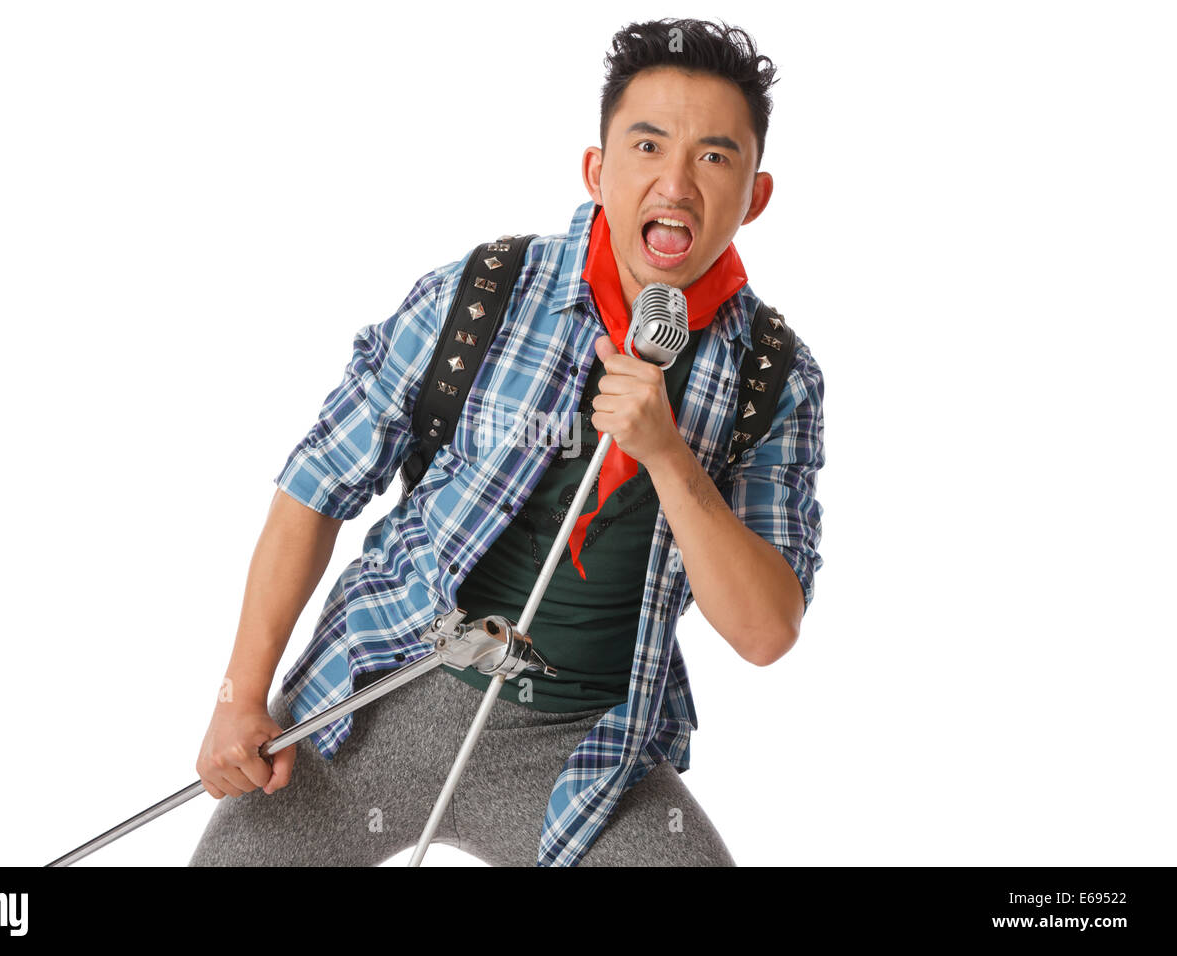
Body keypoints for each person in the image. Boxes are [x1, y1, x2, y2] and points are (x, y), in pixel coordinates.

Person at [188, 16, 824, 867]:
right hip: (386, 692)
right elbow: (319, 483)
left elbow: (765, 631)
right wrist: (241, 693)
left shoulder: (774, 378)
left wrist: (670, 455)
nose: (676, 183)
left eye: (714, 156)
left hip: (583, 747)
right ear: (598, 170)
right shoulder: (484, 291)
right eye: (647, 146)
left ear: (755, 193)